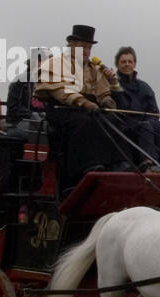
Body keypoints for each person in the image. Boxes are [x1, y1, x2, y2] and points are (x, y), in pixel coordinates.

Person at [34, 24, 130, 193]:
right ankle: (86, 167)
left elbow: (103, 92)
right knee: (84, 122)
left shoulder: (94, 69)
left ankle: (118, 163)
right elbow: (62, 91)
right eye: (82, 46)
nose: (86, 51)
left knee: (114, 121)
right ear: (71, 45)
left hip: (90, 110)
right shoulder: (55, 64)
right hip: (62, 111)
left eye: (88, 47)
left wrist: (107, 101)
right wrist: (84, 102)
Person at [114, 46, 160, 170]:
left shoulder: (144, 87)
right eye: (123, 62)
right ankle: (146, 163)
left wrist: (149, 120)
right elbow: (119, 109)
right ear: (117, 64)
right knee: (146, 126)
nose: (127, 65)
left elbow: (154, 112)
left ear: (134, 64)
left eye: (130, 61)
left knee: (158, 125)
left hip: (146, 124)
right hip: (125, 127)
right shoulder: (114, 85)